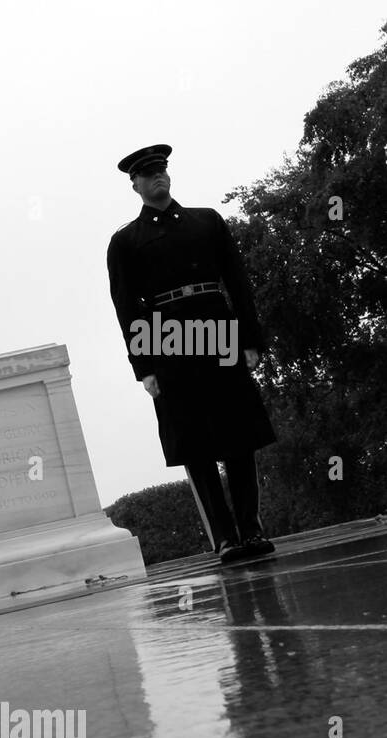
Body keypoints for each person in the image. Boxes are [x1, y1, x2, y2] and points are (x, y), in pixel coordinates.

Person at [106, 144, 278, 563]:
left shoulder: (207, 222)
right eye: (148, 174)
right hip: (167, 341)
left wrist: (251, 340)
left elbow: (237, 281)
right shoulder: (125, 241)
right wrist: (143, 367)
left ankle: (251, 530)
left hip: (218, 330)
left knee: (239, 435)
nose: (157, 177)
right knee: (195, 445)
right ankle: (224, 538)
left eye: (162, 170)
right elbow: (127, 307)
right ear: (136, 185)